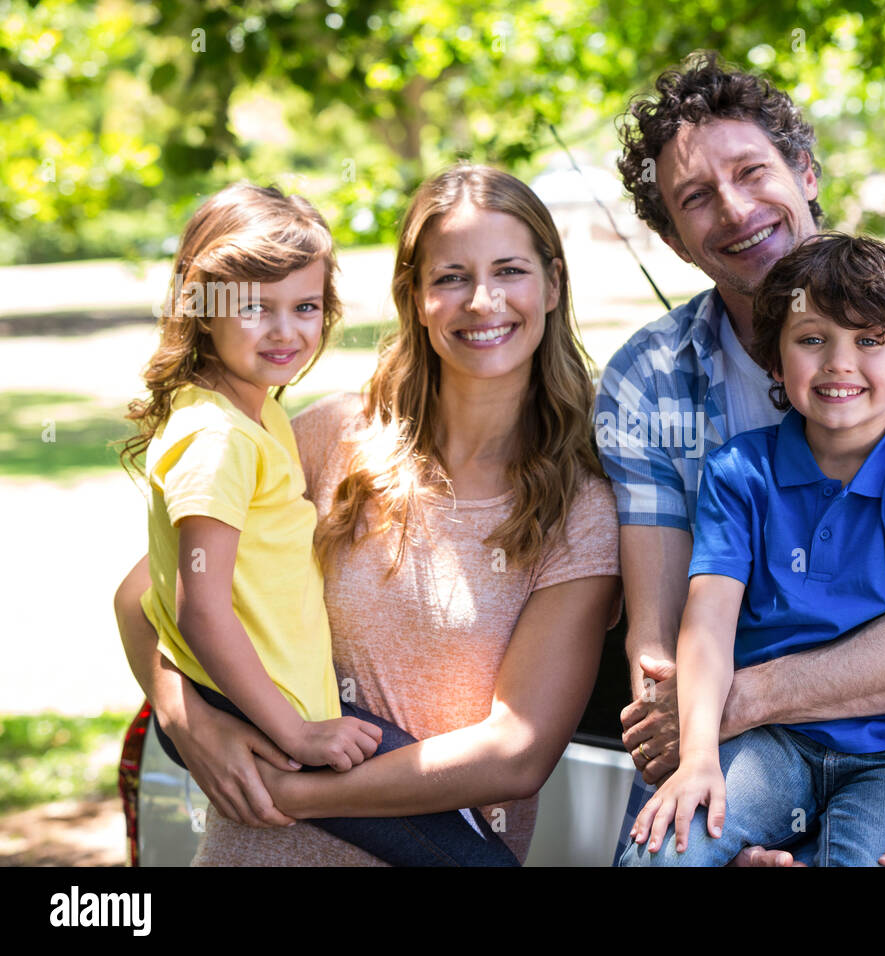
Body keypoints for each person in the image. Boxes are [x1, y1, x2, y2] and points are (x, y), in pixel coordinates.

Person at [598, 51, 885, 865]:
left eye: (751, 171)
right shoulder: (657, 389)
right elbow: (665, 641)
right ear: (671, 238)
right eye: (696, 197)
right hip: (742, 753)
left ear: (805, 171)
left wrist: (754, 696)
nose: (735, 210)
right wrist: (707, 779)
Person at [114, 164, 621, 865]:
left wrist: (293, 791)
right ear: (413, 297)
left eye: (509, 271)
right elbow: (145, 599)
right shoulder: (327, 437)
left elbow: (514, 755)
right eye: (449, 278)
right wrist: (186, 717)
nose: (483, 301)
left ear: (553, 286)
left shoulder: (580, 508)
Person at [619, 234, 885, 866]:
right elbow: (708, 623)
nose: (840, 362)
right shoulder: (740, 473)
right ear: (776, 364)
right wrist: (698, 756)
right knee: (661, 851)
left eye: (869, 341)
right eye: (813, 340)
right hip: (773, 742)